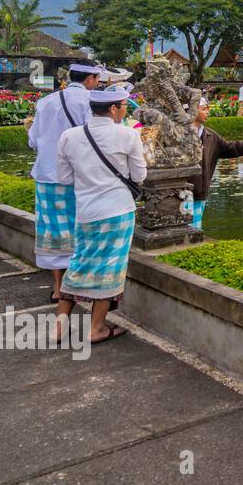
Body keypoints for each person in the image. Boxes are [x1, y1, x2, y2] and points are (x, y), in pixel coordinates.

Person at [53, 86, 147, 345]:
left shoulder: (69, 137)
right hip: (118, 211)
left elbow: (64, 178)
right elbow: (139, 176)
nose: (126, 110)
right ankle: (96, 328)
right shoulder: (128, 135)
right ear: (114, 109)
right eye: (124, 106)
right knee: (110, 267)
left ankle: (59, 328)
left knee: (78, 262)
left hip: (86, 211)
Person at [26, 61, 102, 302]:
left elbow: (33, 141)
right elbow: (95, 138)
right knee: (82, 231)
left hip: (47, 178)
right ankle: (78, 288)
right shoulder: (88, 103)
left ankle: (59, 289)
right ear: (90, 80)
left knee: (53, 232)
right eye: (97, 79)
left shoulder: (45, 102)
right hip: (77, 178)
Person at [188, 98, 243, 230]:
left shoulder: (211, 136)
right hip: (182, 192)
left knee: (195, 229)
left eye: (208, 108)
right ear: (193, 111)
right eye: (204, 109)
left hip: (200, 193)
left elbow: (231, 148)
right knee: (182, 230)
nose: (207, 112)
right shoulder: (179, 134)